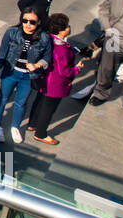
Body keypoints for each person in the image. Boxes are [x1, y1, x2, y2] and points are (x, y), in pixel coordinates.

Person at [0, 10, 51, 143]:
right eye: (25, 21)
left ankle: (15, 126)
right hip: (11, 71)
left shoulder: (44, 38)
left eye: (32, 22)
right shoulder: (12, 32)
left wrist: (37, 65)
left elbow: (48, 57)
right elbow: (3, 52)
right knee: (2, 98)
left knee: (21, 102)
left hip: (28, 76)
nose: (28, 24)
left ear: (39, 22)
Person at [24, 13, 81, 145]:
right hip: (55, 84)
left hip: (44, 80)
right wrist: (77, 69)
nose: (69, 28)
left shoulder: (47, 40)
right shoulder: (62, 49)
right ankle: (41, 133)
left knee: (39, 102)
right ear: (61, 30)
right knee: (48, 110)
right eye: (67, 26)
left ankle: (32, 124)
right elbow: (65, 71)